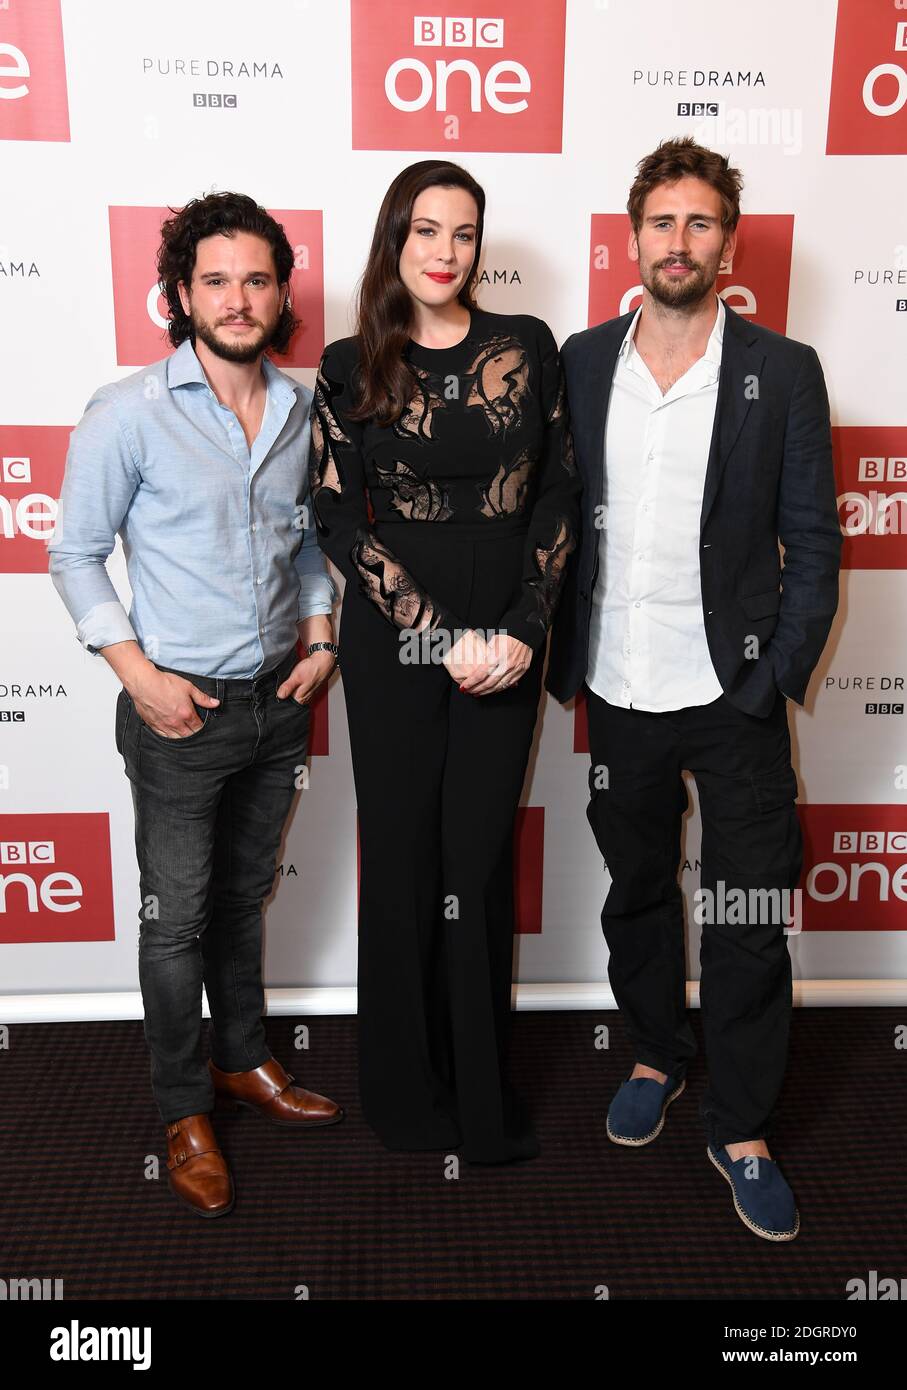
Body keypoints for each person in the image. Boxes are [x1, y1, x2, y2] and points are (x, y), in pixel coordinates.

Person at [546, 137, 842, 1239]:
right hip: (616, 687)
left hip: (733, 692)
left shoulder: (781, 367)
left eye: (701, 223)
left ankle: (742, 1122)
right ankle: (657, 1054)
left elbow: (812, 542)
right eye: (661, 223)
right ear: (632, 239)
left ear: (727, 241)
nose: (679, 242)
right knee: (635, 890)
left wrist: (771, 681)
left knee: (749, 910)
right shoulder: (579, 361)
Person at [48, 192, 344, 1219]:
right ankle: (182, 1110)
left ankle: (243, 1060)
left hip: (277, 702)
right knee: (174, 924)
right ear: (180, 294)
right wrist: (138, 673)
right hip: (177, 714)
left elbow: (309, 544)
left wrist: (320, 636)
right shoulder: (126, 410)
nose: (237, 297)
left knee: (239, 900)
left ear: (281, 292)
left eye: (257, 278)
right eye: (214, 279)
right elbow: (74, 555)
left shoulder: (306, 407)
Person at [309, 159, 581, 1164]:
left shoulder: (527, 346)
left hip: (507, 628)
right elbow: (335, 517)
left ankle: (477, 1091)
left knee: (476, 857)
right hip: (395, 632)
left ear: (479, 245)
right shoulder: (349, 363)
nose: (444, 251)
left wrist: (519, 625)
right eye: (425, 231)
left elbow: (559, 493)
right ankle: (403, 1092)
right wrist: (439, 629)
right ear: (395, 240)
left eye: (463, 233)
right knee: (404, 854)